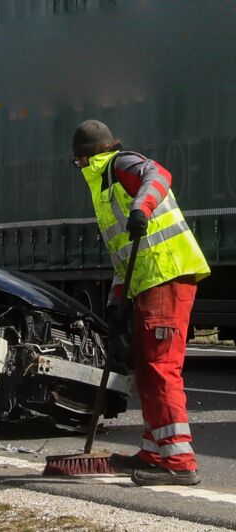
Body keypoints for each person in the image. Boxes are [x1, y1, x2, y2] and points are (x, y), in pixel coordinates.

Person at [72, 120, 210, 486]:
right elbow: (125, 252)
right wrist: (118, 299)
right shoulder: (104, 186)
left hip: (166, 275)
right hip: (149, 280)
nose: (79, 170)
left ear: (85, 157)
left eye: (77, 163)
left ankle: (178, 460)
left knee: (159, 366)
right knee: (147, 368)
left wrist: (142, 208)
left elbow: (159, 174)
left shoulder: (120, 165)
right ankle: (155, 451)